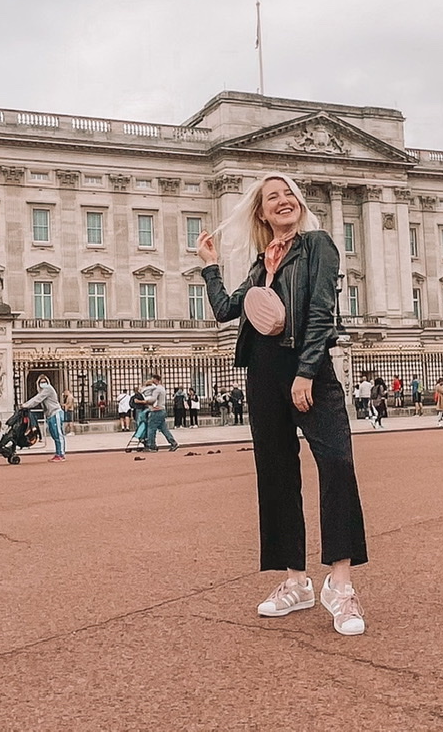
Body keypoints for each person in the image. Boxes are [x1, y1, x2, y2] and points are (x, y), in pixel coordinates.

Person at [197, 171, 367, 636]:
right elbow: (227, 310)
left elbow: (319, 311)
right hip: (262, 370)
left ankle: (341, 583)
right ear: (262, 212)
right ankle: (296, 581)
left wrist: (308, 370)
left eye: (288, 192)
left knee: (336, 463)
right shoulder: (259, 263)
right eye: (272, 197)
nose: (282, 200)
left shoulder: (317, 245)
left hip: (305, 363)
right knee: (276, 473)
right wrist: (210, 266)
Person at [21, 377, 65, 461]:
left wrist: (26, 405)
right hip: (50, 415)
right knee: (54, 435)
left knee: (58, 435)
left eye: (44, 381)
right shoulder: (43, 391)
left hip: (55, 413)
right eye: (41, 382)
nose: (43, 383)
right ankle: (58, 453)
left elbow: (37, 399)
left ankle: (61, 454)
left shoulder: (48, 389)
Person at [140, 373, 178, 452]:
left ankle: (152, 446)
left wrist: (144, 401)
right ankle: (173, 443)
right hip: (162, 409)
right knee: (164, 429)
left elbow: (153, 399)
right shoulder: (162, 388)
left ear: (156, 380)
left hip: (156, 410)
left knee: (151, 428)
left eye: (153, 380)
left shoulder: (156, 389)